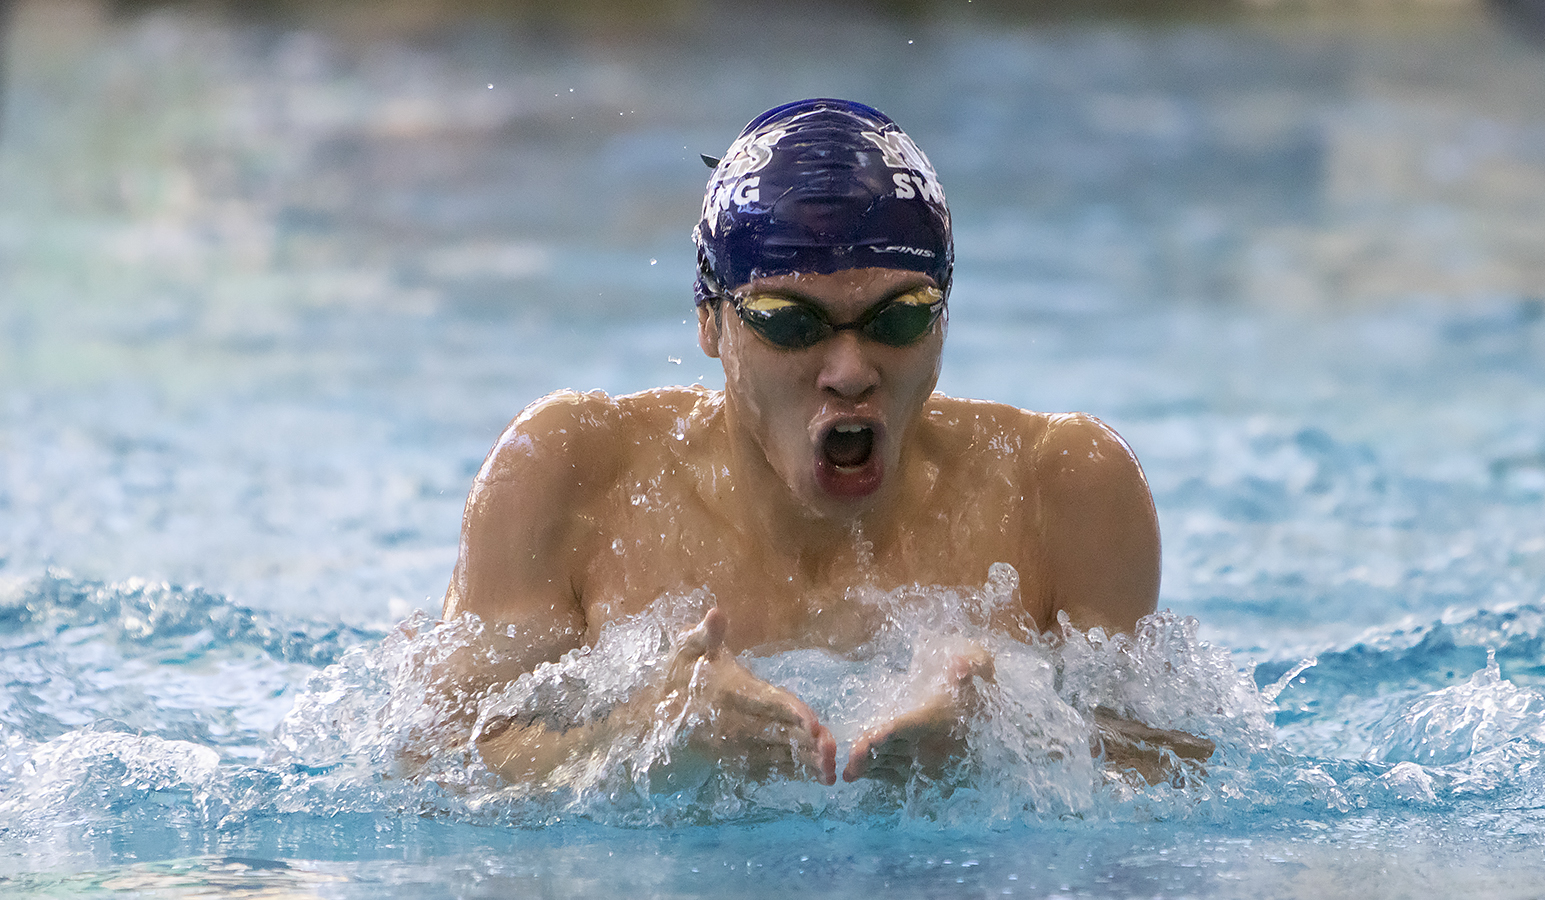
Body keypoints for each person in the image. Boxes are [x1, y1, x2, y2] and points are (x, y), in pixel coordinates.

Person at [435, 98, 1210, 788]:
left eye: (897, 317)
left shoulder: (1063, 490)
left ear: (944, 318)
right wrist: (643, 735)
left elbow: (1178, 775)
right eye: (790, 321)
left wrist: (1005, 740)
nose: (848, 372)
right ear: (711, 320)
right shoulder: (567, 475)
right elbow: (426, 762)